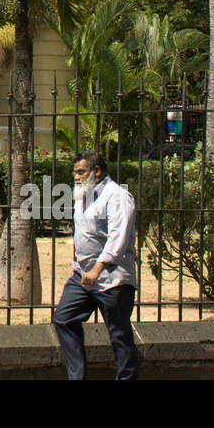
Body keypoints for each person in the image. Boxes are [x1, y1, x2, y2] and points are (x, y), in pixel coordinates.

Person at [52, 151, 139, 379]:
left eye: (81, 172)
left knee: (119, 335)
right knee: (63, 317)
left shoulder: (118, 196)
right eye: (75, 172)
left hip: (113, 278)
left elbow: (118, 237)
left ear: (97, 171)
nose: (76, 177)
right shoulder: (84, 195)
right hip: (83, 277)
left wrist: (98, 268)